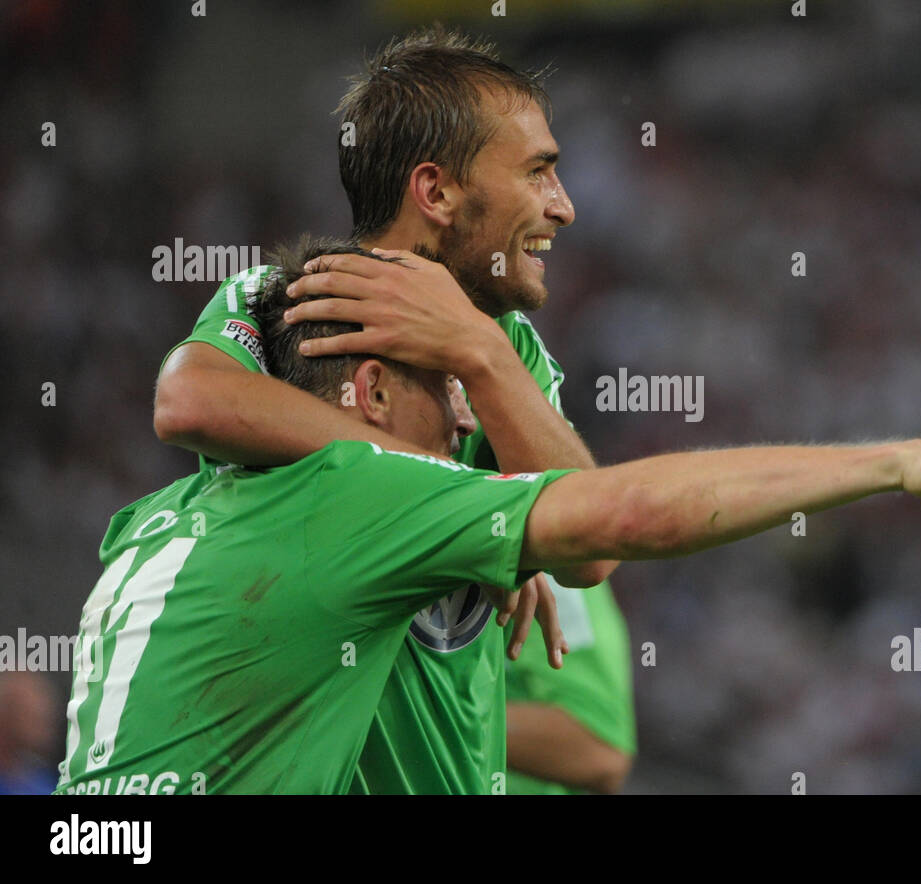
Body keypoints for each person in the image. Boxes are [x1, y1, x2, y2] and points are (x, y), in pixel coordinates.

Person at [62, 236, 921, 794]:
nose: (468, 415)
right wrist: (898, 458)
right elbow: (635, 514)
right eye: (450, 386)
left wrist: (475, 555)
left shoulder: (153, 520)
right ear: (371, 393)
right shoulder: (359, 494)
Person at [153, 26, 636, 794]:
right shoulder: (296, 296)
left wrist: (478, 354)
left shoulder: (511, 348)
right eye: (539, 172)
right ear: (437, 191)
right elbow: (188, 399)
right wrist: (472, 507)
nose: (565, 207)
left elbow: (590, 549)